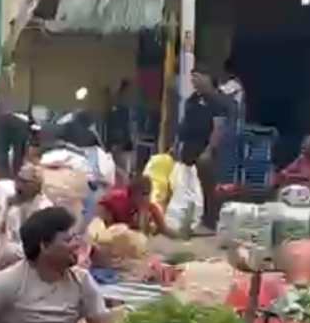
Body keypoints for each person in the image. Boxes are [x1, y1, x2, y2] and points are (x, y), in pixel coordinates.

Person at [176, 71, 228, 232]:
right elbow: (185, 123)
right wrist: (177, 145)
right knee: (188, 188)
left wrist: (209, 150)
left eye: (197, 76)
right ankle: (188, 222)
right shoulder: (192, 99)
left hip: (206, 151)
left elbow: (218, 127)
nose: (193, 80)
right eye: (192, 77)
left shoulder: (217, 100)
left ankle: (209, 222)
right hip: (189, 149)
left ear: (208, 78)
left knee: (208, 188)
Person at [0, 163, 54, 269]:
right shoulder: (13, 203)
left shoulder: (44, 208)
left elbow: (36, 244)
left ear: (36, 185)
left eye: (24, 182)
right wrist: (7, 209)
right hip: (11, 253)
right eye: (18, 180)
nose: (19, 185)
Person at [97, 174, 166, 235]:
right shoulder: (117, 199)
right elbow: (102, 205)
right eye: (143, 194)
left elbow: (164, 229)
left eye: (148, 194)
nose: (146, 198)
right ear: (133, 194)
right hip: (111, 226)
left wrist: (142, 213)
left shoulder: (151, 207)